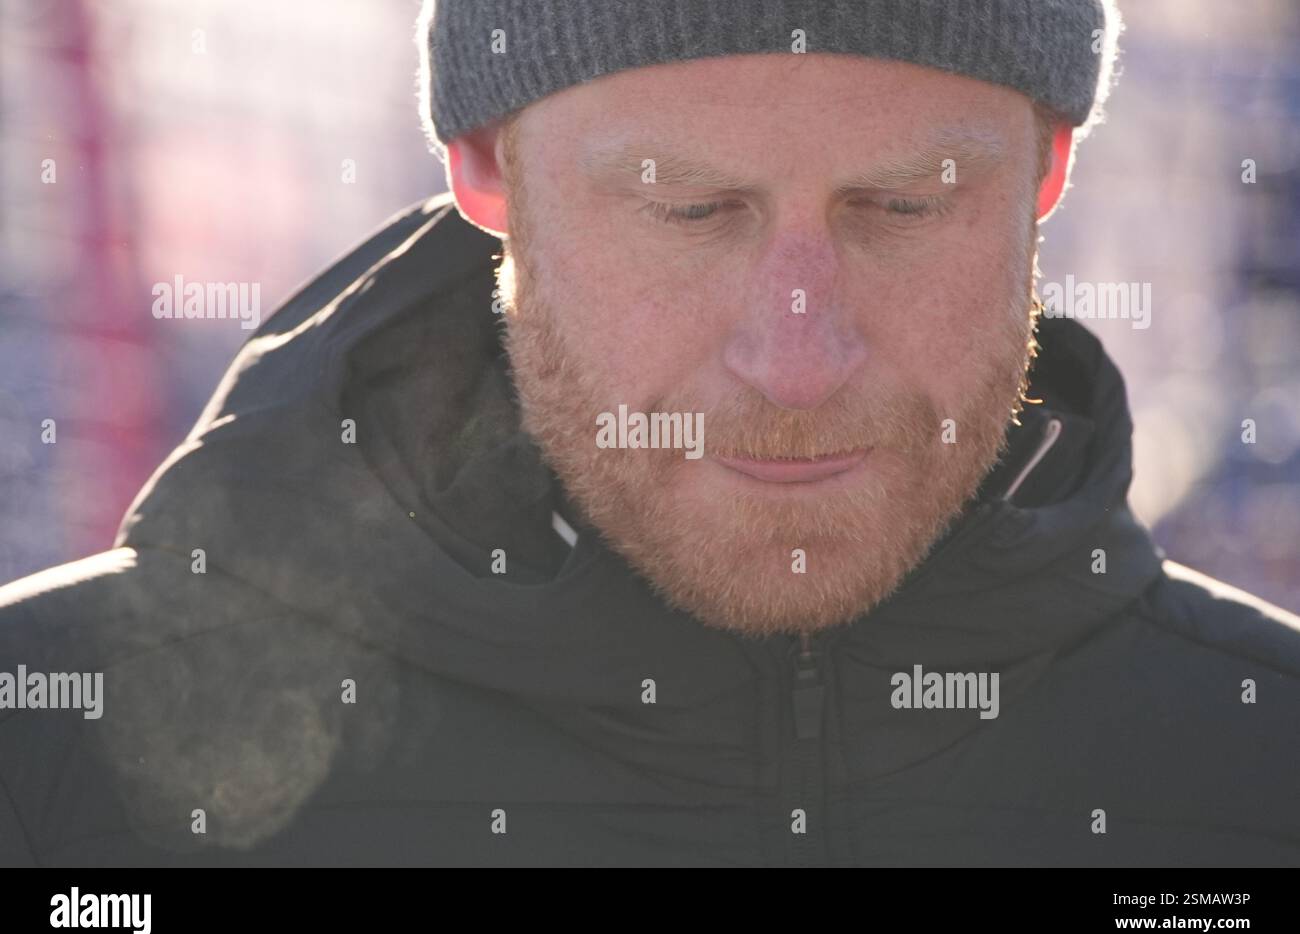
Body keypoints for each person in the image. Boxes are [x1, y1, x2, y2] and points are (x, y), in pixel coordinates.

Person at [1, 0, 1297, 867]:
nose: (796, 362)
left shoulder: (1259, 768)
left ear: (1049, 171)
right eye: (687, 209)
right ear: (486, 168)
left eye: (905, 207)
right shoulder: (51, 762)